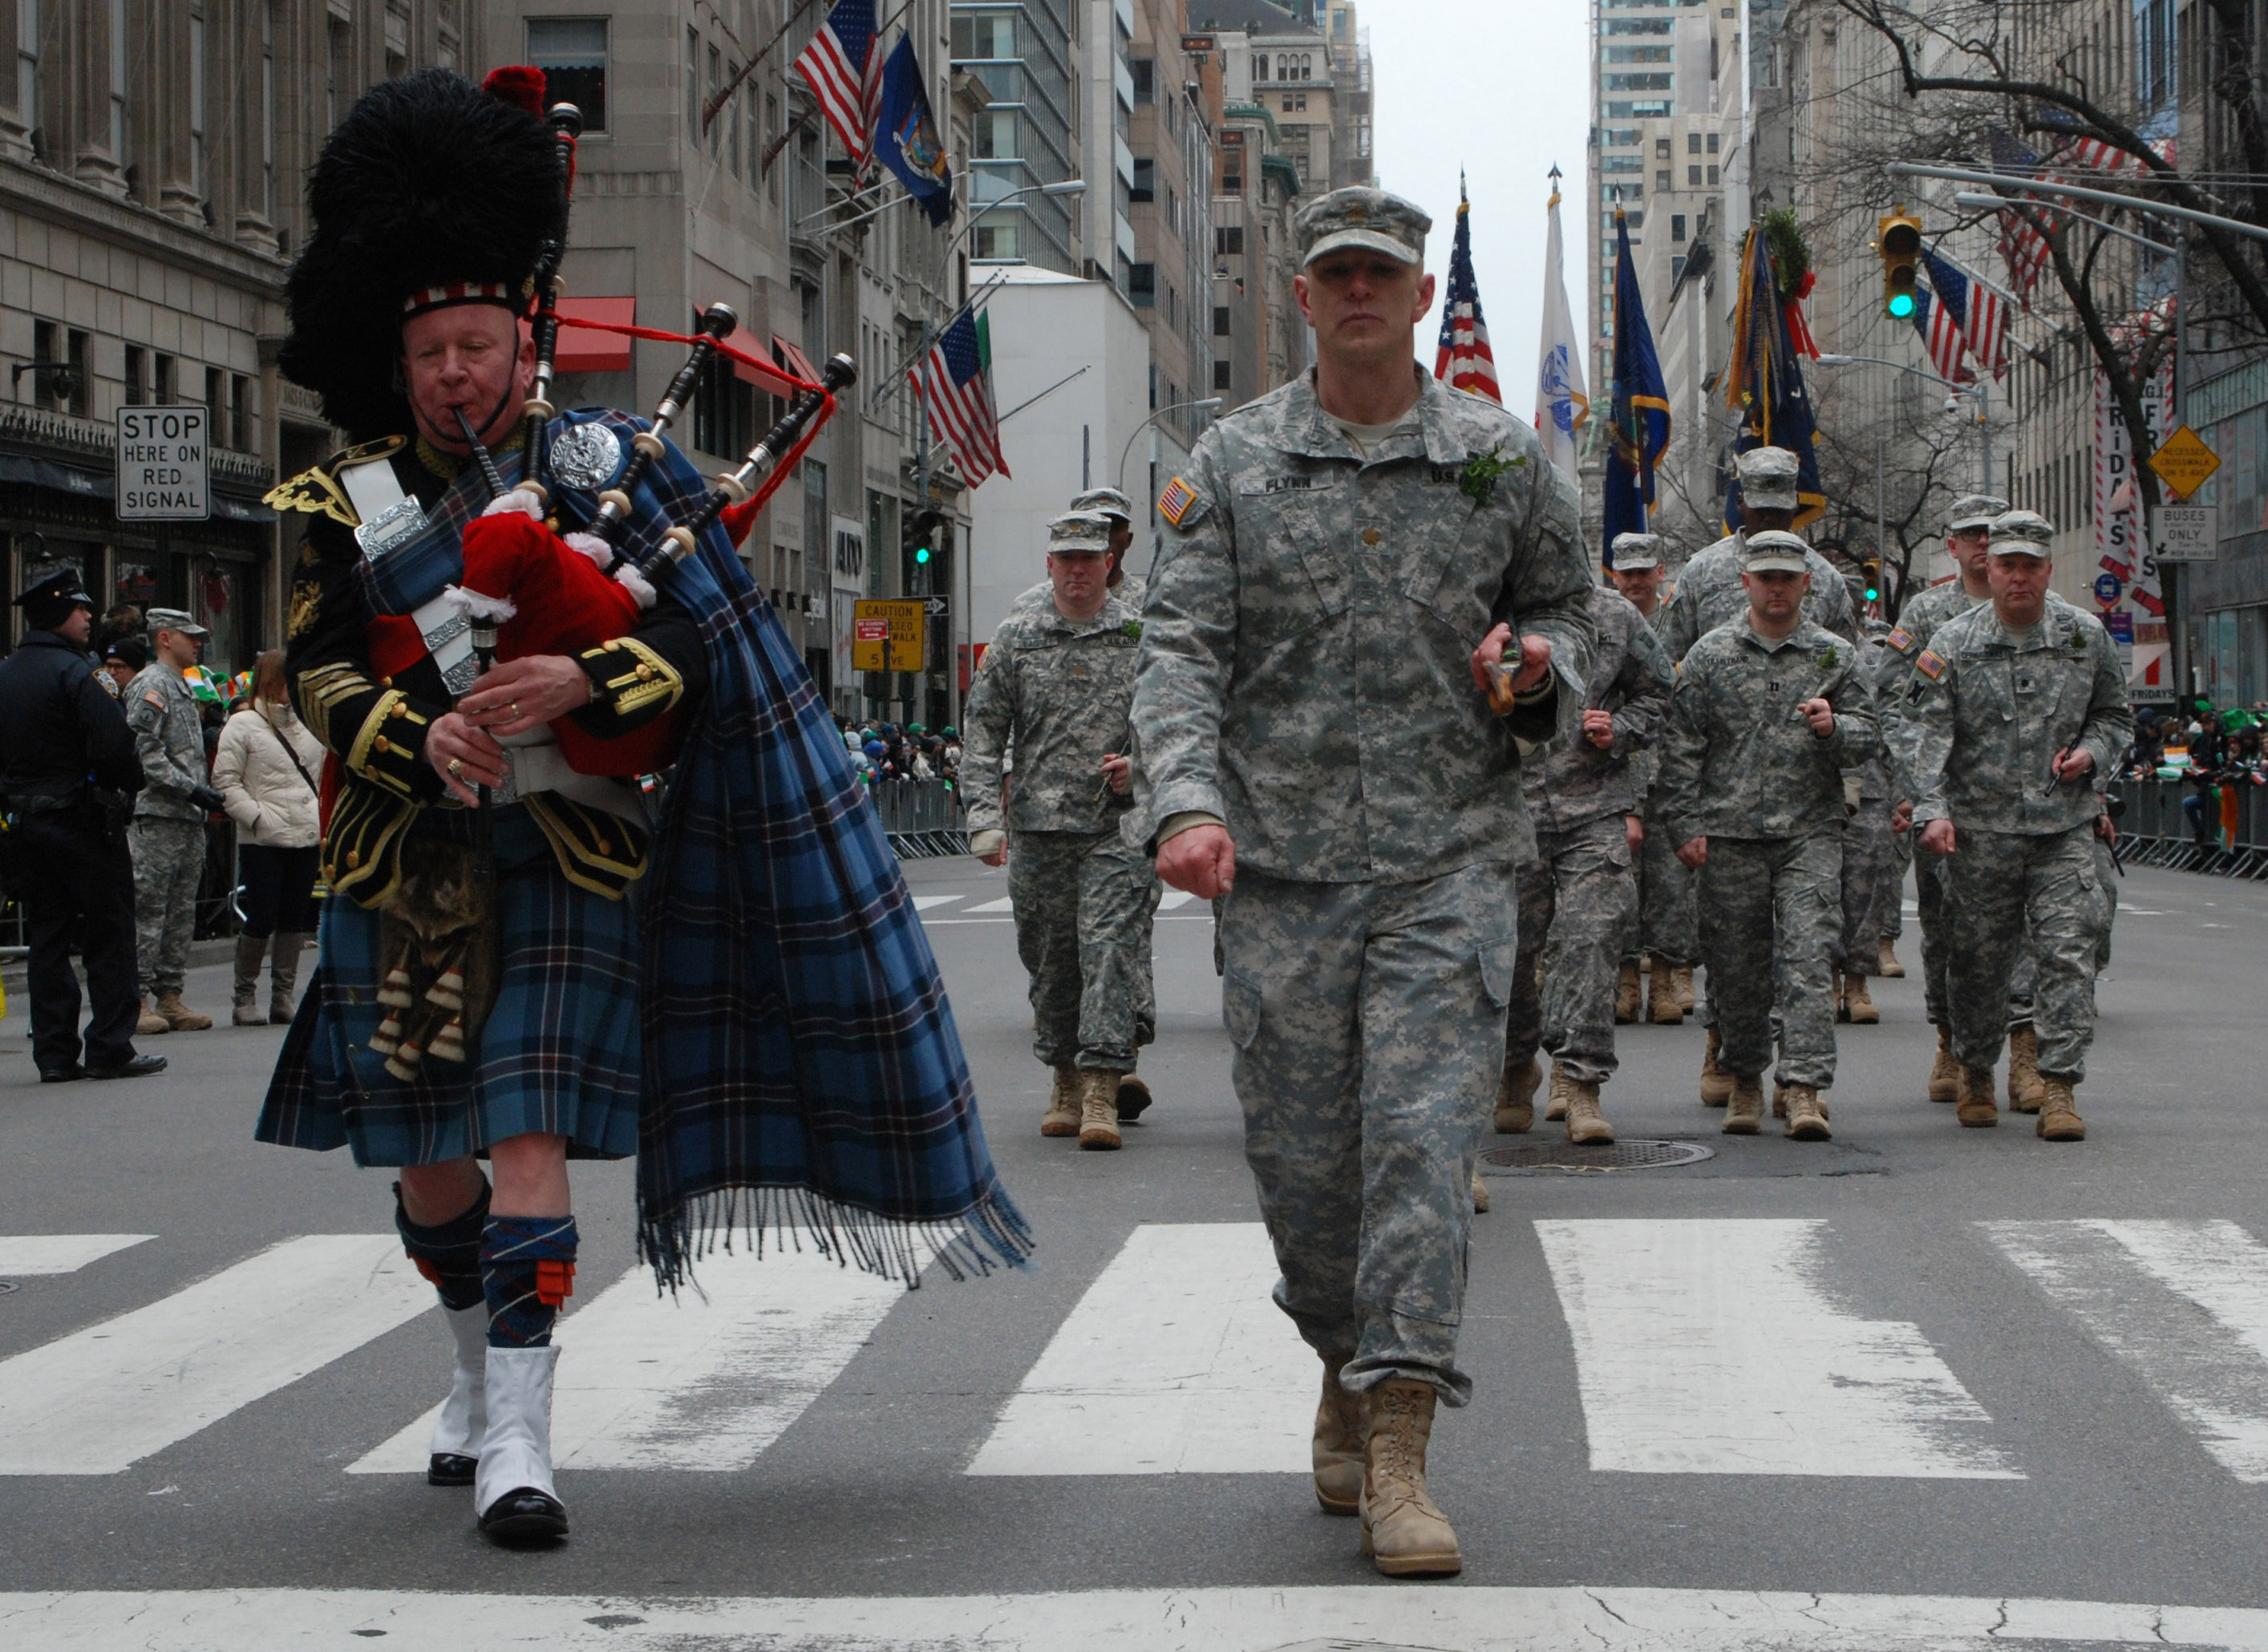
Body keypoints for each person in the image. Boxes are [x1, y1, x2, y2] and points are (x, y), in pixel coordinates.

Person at [255, 67, 1027, 1550]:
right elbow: (323, 671)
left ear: (525, 339)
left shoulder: (614, 467)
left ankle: (523, 1442)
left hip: (564, 847)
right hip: (406, 861)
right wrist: (422, 736)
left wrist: (577, 679)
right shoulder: (340, 502)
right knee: (430, 1162)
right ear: (396, 360)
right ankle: (473, 1374)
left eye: (477, 346)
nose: (455, 375)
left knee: (526, 1126)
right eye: (429, 353)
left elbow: (702, 643)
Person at [1132, 185, 1594, 1577]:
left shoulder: (1496, 462)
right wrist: (1186, 803)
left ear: (1417, 293)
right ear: (1301, 293)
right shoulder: (1233, 463)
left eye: (1380, 274)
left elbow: (1568, 613)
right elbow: (1180, 651)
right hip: (1280, 875)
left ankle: (1400, 1440)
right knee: (1304, 1174)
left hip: (1449, 866)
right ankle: (1340, 1353)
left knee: (1421, 1148)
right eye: (1334, 272)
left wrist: (1537, 673)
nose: (1357, 293)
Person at [1895, 510, 2132, 1140]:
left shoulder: (2084, 637)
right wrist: (1932, 809)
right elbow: (1923, 734)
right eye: (2007, 565)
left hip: (2063, 829)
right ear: (1990, 569)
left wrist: (2091, 755)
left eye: (2031, 566)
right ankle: (1975, 1068)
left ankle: (2059, 1087)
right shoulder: (1954, 643)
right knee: (1978, 963)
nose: (2018, 577)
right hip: (1980, 835)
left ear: (2049, 570)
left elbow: (2115, 717)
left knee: (2068, 955)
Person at [1657, 529, 1881, 1140]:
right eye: (1766, 578)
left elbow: (1870, 735)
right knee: (1736, 968)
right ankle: (1746, 1079)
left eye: (1787, 578)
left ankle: (1803, 1086)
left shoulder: (1834, 656)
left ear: (1807, 583)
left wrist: (1835, 729)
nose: (1776, 588)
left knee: (1808, 956)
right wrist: (1684, 825)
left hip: (1810, 830)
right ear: (1745, 583)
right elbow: (1680, 746)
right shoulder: (1709, 656)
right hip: (1729, 834)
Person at [963, 511, 1161, 1148]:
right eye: (1067, 560)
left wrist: (1141, 766)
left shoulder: (1141, 634)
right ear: (1050, 565)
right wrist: (983, 819)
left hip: (1117, 828)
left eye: (1089, 559)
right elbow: (983, 730)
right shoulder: (1018, 637)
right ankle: (1065, 1079)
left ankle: (1102, 1086)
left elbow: (1174, 718)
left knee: (1108, 951)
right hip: (1040, 830)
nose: (1078, 571)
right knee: (1051, 964)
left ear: (1109, 563)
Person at [1497, 576, 1674, 1144]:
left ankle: (1580, 1082)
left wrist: (1619, 729)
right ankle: (1513, 1066)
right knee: (1508, 951)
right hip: (1508, 810)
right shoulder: (1489, 604)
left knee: (1592, 939)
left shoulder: (1615, 615)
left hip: (1594, 806)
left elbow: (1660, 692)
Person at [0, 569, 165, 1083]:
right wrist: (128, 787)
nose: (89, 616)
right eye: (79, 609)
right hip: (85, 823)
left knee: (48, 937)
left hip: (27, 824)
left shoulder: (7, 673)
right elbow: (115, 745)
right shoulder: (80, 673)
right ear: (57, 615)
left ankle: (54, 1054)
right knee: (108, 933)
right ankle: (109, 1047)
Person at [1878, 494, 2004, 1096]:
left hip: (2022, 805)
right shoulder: (1928, 614)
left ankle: (2024, 1050)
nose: (1984, 543)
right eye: (1972, 534)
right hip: (1944, 803)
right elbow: (1891, 699)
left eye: (1993, 534)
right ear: (1952, 545)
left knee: (2023, 933)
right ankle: (1951, 1041)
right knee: (1947, 929)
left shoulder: (2037, 610)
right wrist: (1913, 788)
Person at [124, 607, 225, 1035]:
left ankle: (170, 995)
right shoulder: (151, 684)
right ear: (165, 638)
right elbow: (144, 753)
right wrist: (191, 789)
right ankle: (136, 1000)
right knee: (148, 911)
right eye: (190, 636)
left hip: (186, 818)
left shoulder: (182, 685)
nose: (198, 643)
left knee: (180, 914)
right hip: (157, 816)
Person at [1606, 533, 1691, 1025]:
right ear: (1614, 575)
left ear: (1661, 572)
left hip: (1672, 770)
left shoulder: (1679, 624)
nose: (1636, 581)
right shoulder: (1604, 622)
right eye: (1627, 572)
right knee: (1621, 882)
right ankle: (1624, 982)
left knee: (1670, 885)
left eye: (1644, 571)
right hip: (1617, 766)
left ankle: (1662, 982)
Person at [213, 650, 324, 1026]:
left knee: (294, 918)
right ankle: (244, 996)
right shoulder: (243, 724)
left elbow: (322, 775)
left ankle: (283, 996)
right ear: (270, 681)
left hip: (306, 832)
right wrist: (255, 817)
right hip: (263, 837)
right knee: (260, 916)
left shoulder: (308, 723)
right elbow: (225, 781)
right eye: (286, 679)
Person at [1835, 607, 1896, 1026]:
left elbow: (1894, 720)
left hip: (1871, 787)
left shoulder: (1876, 657)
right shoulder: (1804, 651)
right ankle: (1823, 979)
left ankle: (1857, 982)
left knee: (1865, 888)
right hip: (1814, 786)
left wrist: (1905, 793)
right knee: (1817, 889)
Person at [101, 633, 149, 698]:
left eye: (119, 666)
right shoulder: (100, 697)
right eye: (108, 666)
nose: (112, 672)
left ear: (138, 671)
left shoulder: (144, 699)